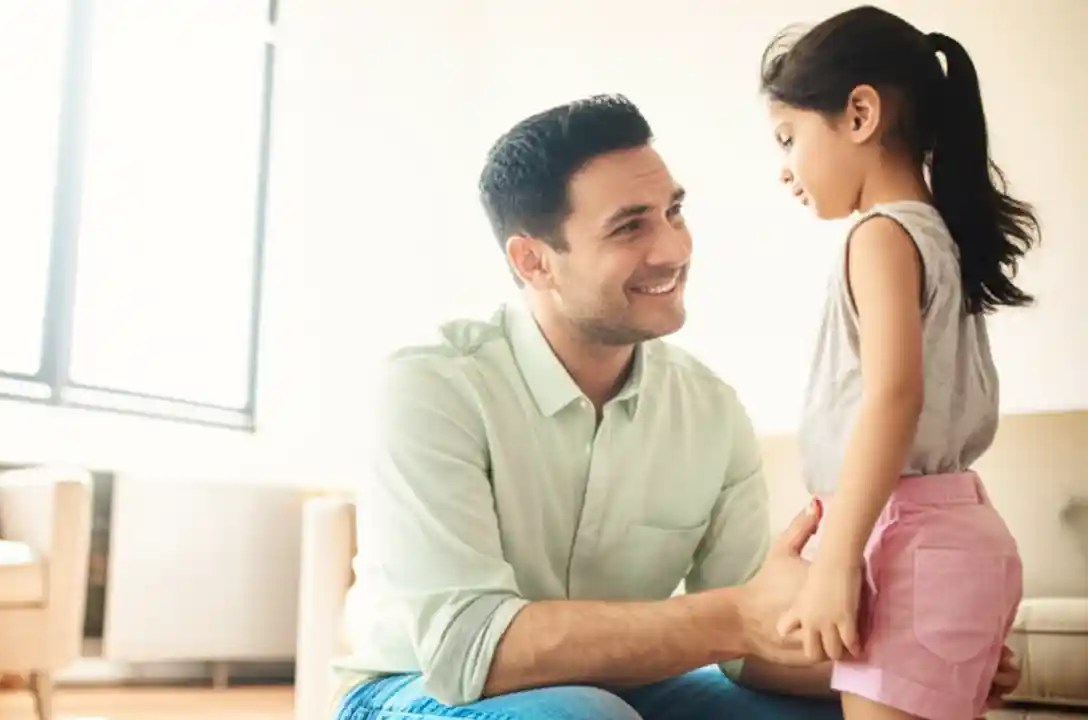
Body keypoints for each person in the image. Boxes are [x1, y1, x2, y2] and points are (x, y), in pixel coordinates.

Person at [333, 94, 1018, 720]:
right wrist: (737, 618)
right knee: (584, 719)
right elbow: (468, 649)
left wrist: (914, 656)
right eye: (630, 227)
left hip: (630, 685)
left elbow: (750, 645)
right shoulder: (432, 388)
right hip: (415, 685)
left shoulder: (711, 410)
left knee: (831, 713)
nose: (674, 249)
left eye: (675, 212)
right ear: (533, 260)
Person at [761, 7, 1036, 720]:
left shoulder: (879, 237)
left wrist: (836, 558)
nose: (784, 169)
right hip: (958, 537)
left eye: (788, 137)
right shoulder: (939, 236)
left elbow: (893, 397)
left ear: (859, 114)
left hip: (905, 541)